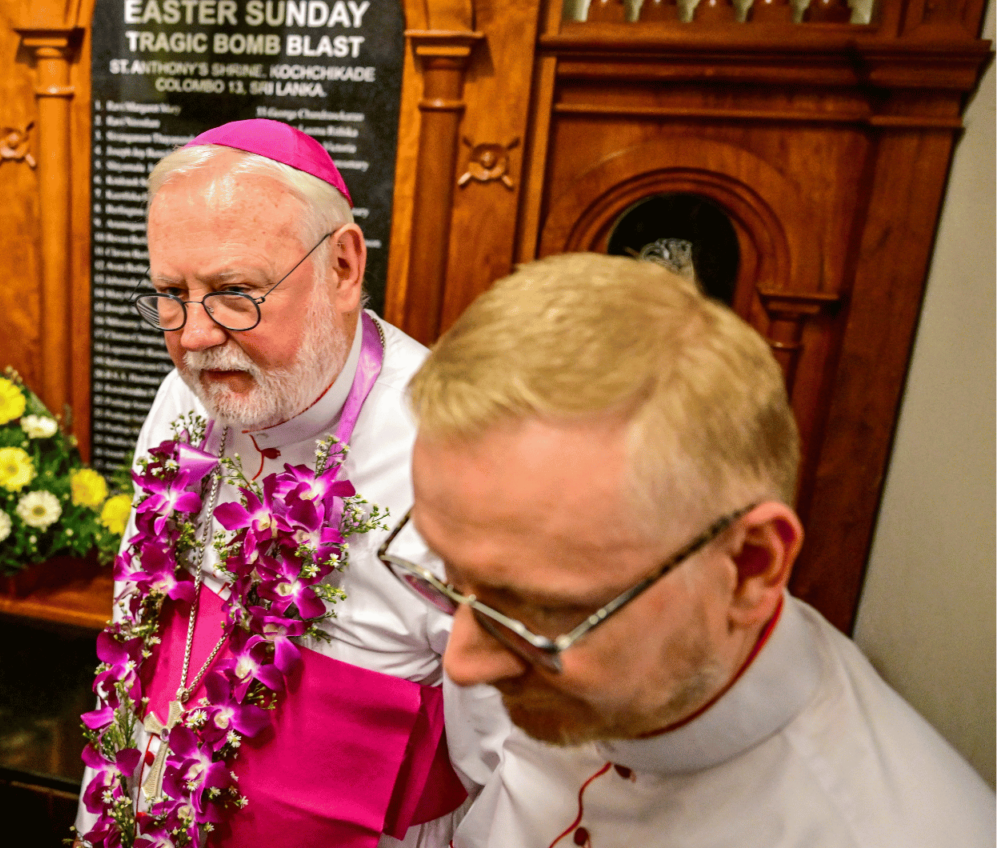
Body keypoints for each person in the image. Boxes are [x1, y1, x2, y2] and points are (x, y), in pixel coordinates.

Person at [390, 253, 993, 847]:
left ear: (750, 566)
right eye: (449, 575)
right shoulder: (574, 656)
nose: (463, 664)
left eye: (541, 610)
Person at [75, 120, 467, 848]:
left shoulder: (452, 452)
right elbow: (137, 629)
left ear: (344, 268)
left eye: (233, 292)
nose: (192, 338)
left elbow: (508, 760)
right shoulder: (182, 397)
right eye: (170, 293)